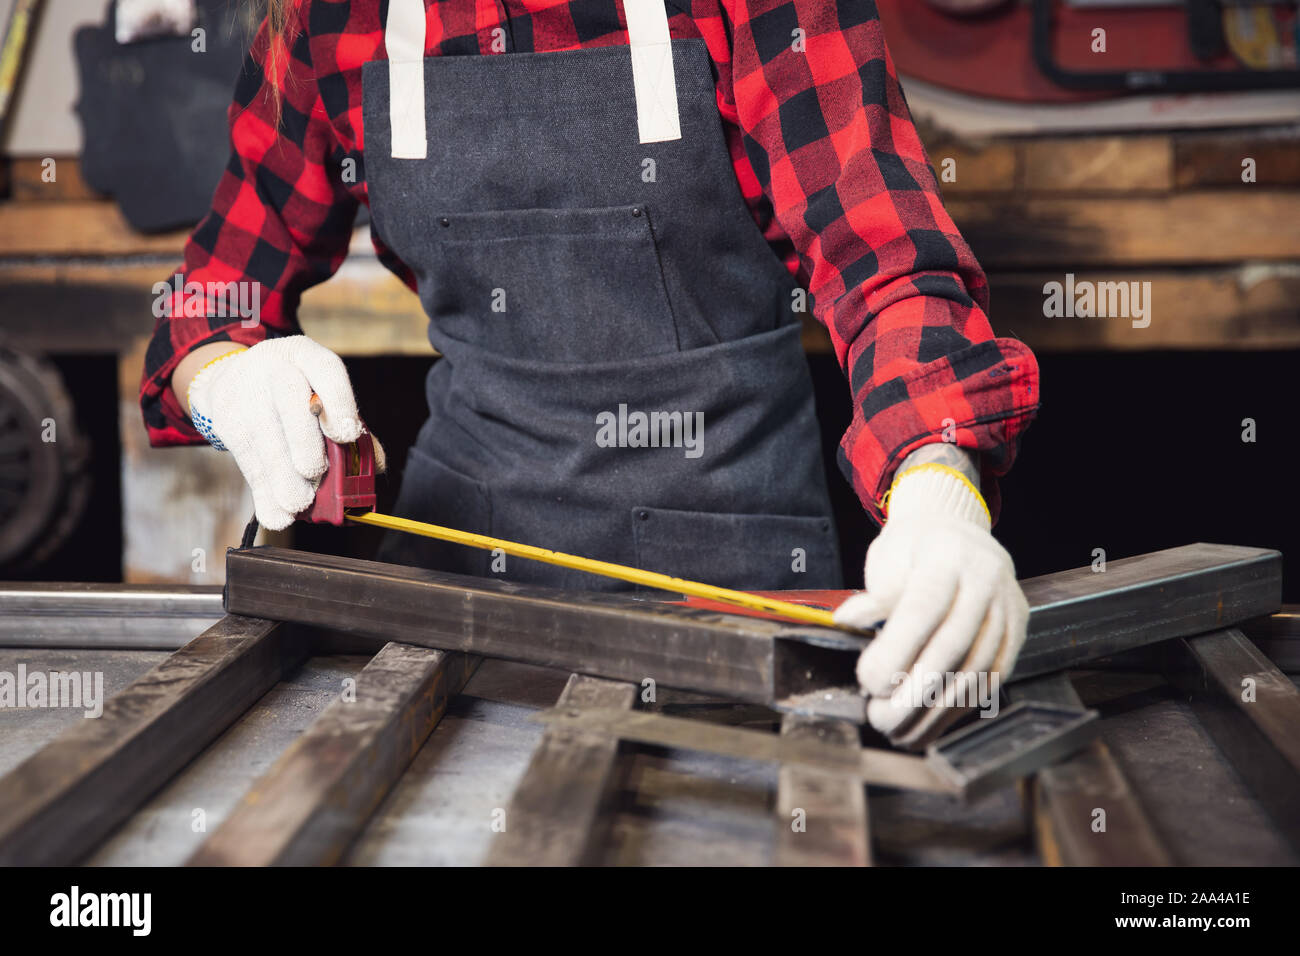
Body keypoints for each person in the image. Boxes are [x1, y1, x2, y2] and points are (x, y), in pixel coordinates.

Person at [142, 0, 1040, 748]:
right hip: (457, 590)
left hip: (735, 586)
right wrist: (227, 382)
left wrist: (937, 483)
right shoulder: (331, 20)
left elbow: (885, 259)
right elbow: (208, 303)